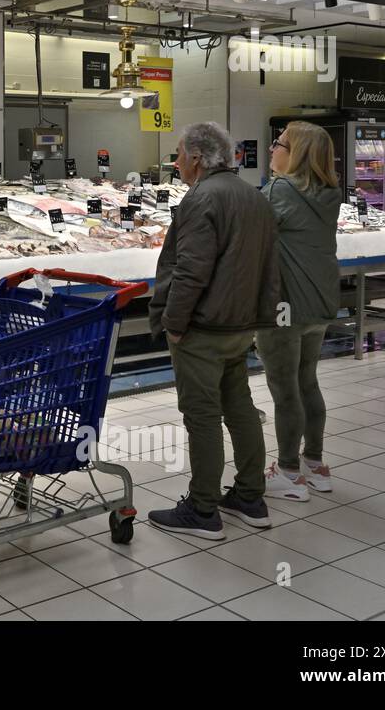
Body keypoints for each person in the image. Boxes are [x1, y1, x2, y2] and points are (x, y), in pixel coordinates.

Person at [148, 122, 278, 540]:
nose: (176, 161)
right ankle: (249, 496)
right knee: (239, 407)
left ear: (198, 159)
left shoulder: (202, 198)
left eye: (180, 154)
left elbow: (190, 270)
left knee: (201, 416)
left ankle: (203, 510)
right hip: (242, 324)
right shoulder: (252, 195)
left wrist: (174, 323)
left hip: (204, 327)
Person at [255, 122, 341, 501]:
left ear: (298, 153)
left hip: (284, 305)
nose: (272, 148)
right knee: (308, 381)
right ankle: (315, 464)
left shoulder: (280, 190)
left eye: (280, 143)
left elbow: (250, 236)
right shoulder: (329, 193)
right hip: (319, 302)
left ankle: (288, 472)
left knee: (284, 388)